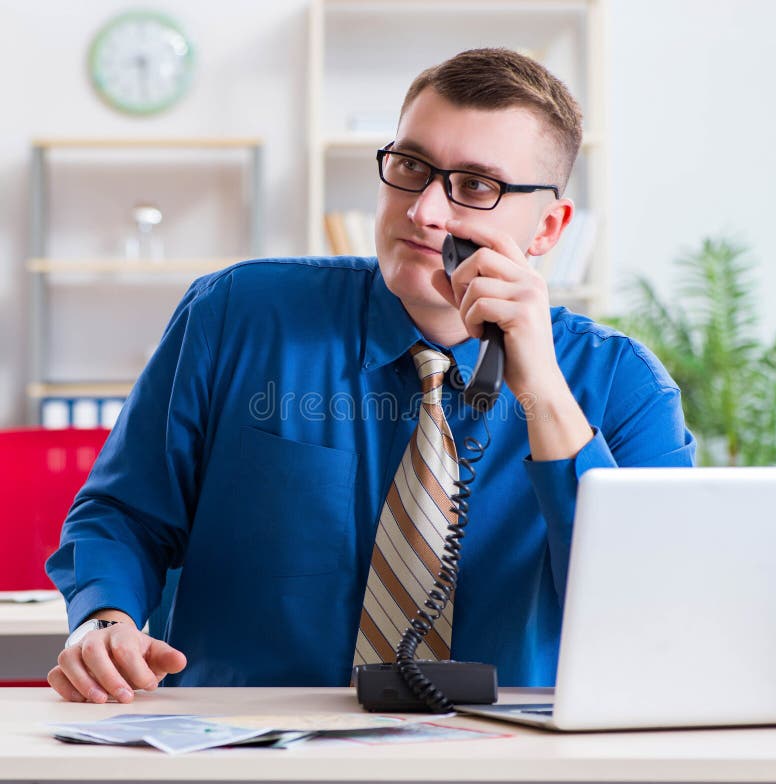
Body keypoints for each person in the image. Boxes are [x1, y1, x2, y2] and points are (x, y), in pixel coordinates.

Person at [46, 48, 695, 705]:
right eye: (412, 167)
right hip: (250, 749)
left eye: (474, 185)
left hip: (502, 755)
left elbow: (654, 611)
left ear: (548, 227)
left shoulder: (625, 385)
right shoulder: (236, 315)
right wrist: (105, 622)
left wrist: (545, 395)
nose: (423, 212)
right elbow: (123, 515)